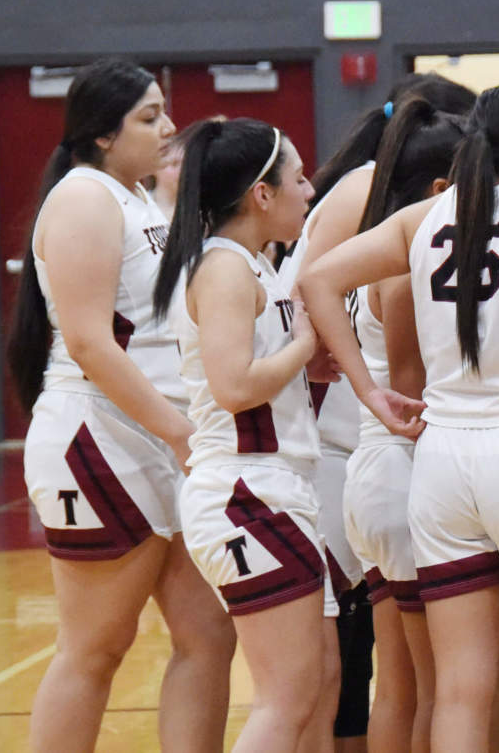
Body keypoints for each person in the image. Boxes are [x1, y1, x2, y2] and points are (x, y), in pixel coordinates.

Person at [301, 84, 499, 753]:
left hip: (442, 463)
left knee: (460, 690)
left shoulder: (422, 218)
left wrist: (368, 392)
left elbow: (318, 279)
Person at [9, 58, 235, 753]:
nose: (168, 128)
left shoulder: (138, 198)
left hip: (164, 436)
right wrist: (178, 432)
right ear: (102, 134)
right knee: (96, 647)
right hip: (100, 436)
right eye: (148, 116)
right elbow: (86, 340)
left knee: (210, 636)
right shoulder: (83, 198)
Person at [279, 73, 477, 753]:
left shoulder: (387, 238)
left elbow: (315, 287)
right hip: (398, 468)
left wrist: (358, 379)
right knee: (431, 684)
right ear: (439, 188)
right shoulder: (408, 256)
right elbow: (418, 389)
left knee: (403, 682)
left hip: (375, 463)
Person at [152, 117, 341, 751]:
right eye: (297, 178)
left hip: (275, 488)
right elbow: (234, 387)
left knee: (318, 685)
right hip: (246, 494)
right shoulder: (226, 269)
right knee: (285, 700)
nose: (309, 190)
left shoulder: (255, 264)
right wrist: (308, 344)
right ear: (262, 194)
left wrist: (301, 361)